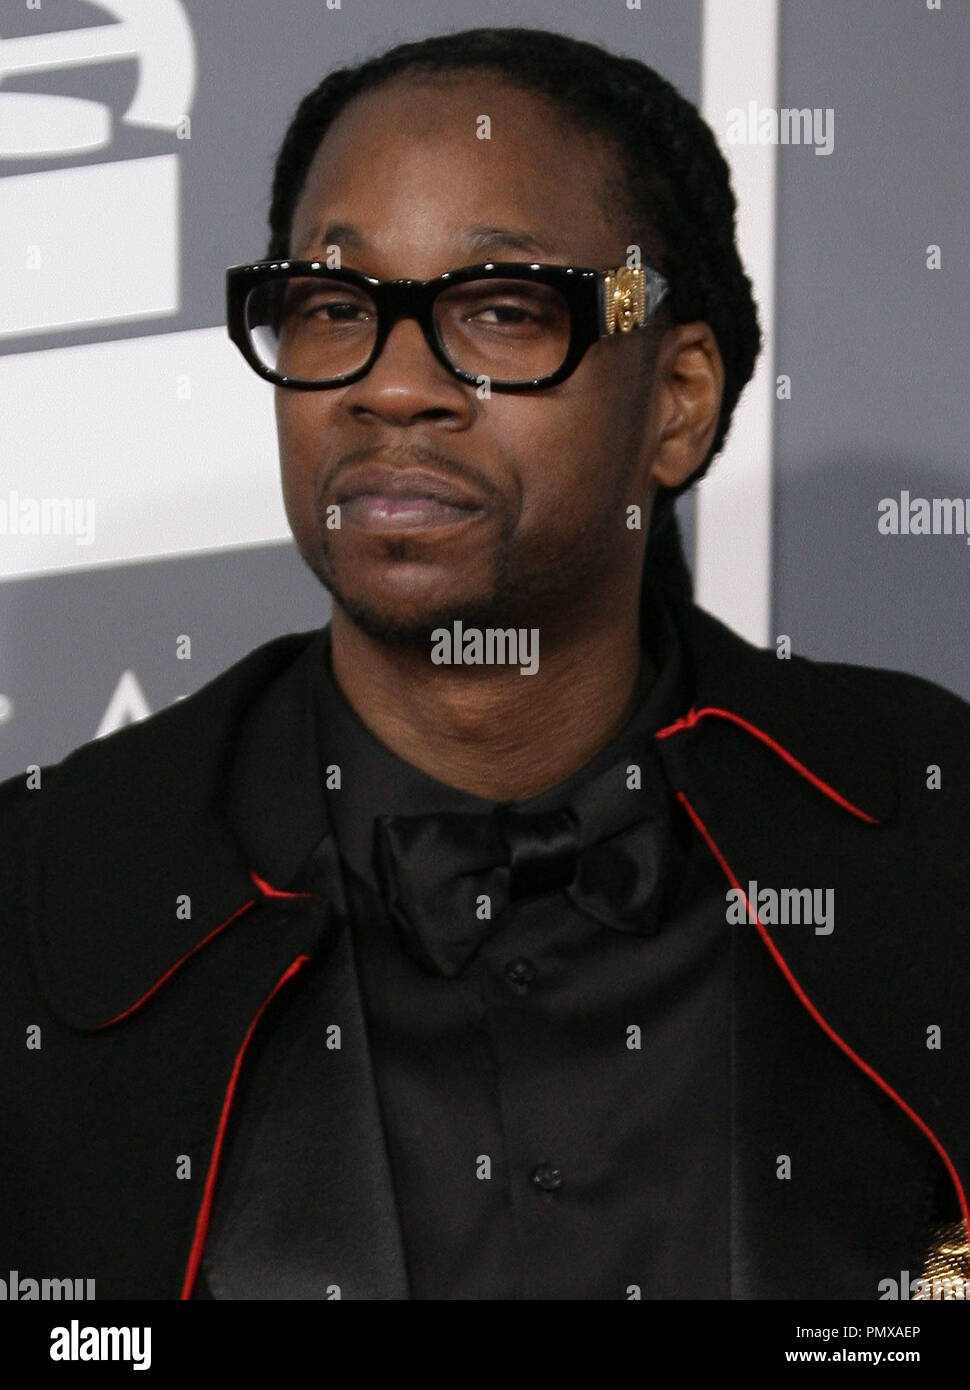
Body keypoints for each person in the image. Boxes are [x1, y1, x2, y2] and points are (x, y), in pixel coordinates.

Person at [1, 26, 968, 1302]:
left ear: (676, 398)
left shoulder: (931, 836)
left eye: (502, 312)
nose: (393, 388)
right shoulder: (46, 894)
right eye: (334, 309)